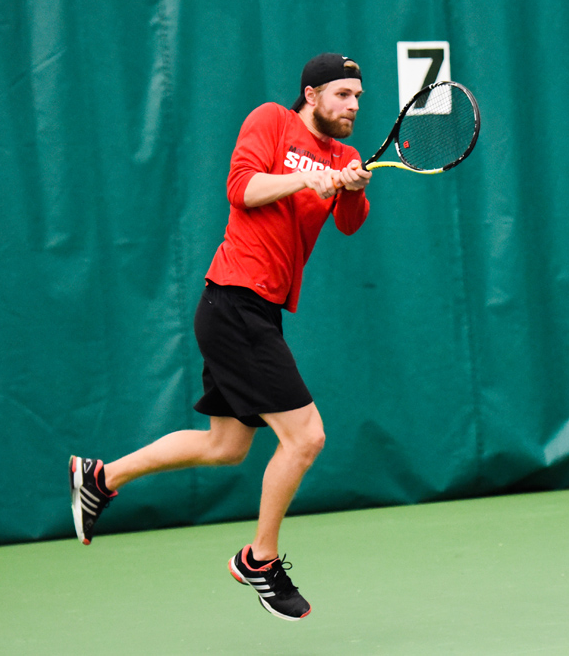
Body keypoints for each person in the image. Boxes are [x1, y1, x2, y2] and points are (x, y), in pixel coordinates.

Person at [68, 53, 372, 621]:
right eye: (342, 94)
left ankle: (101, 477)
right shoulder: (271, 120)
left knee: (226, 447)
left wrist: (351, 188)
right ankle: (260, 560)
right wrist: (304, 177)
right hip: (235, 300)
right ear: (311, 95)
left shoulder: (346, 156)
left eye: (358, 96)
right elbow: (241, 188)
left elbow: (350, 223)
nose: (353, 105)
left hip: (260, 310)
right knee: (306, 438)